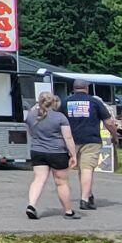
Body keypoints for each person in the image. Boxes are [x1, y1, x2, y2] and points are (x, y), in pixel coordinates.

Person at [24, 92, 79, 220]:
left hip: (37, 151)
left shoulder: (31, 116)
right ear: (54, 102)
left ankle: (31, 205)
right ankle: (68, 211)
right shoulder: (60, 117)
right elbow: (68, 137)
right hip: (57, 152)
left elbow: (30, 133)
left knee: (38, 179)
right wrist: (73, 154)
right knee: (61, 182)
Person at [63, 80, 117, 209]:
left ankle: (87, 194)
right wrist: (115, 136)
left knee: (78, 169)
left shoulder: (65, 102)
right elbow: (108, 122)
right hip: (91, 140)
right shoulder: (95, 102)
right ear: (87, 88)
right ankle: (85, 199)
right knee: (87, 168)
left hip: (71, 140)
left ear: (74, 88)